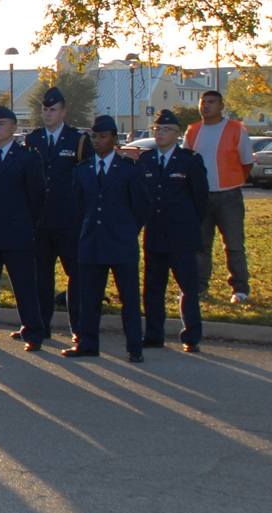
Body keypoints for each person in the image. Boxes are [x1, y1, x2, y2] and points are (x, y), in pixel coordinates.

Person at [68, 115, 152, 361]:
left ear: (114, 139)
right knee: (89, 300)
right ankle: (88, 344)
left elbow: (141, 207)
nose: (97, 141)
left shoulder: (128, 169)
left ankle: (134, 348)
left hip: (121, 242)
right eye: (94, 136)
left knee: (129, 300)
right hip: (92, 241)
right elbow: (80, 206)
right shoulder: (82, 170)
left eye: (103, 136)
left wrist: (127, 230)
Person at [0, 104, 47, 350]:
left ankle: (34, 333)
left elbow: (37, 197)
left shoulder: (26, 158)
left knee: (24, 286)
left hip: (17, 233)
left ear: (14, 128)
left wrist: (25, 222)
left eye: (2, 124)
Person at [26, 87, 94, 341]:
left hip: (69, 220)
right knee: (40, 277)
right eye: (44, 109)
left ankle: (78, 327)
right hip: (40, 221)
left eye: (53, 110)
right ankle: (40, 326)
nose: (47, 114)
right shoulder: (32, 141)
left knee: (76, 275)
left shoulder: (78, 141)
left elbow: (87, 180)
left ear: (63, 112)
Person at [142, 109, 211, 352]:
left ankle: (191, 336)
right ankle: (153, 335)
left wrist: (188, 224)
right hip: (155, 234)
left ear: (177, 134)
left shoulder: (189, 160)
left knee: (188, 289)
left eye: (165, 129)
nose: (159, 133)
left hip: (182, 236)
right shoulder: (146, 160)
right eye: (157, 129)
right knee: (152, 289)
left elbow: (200, 200)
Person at [184, 89, 254, 303]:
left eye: (211, 102)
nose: (205, 106)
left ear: (222, 106)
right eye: (203, 102)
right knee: (201, 245)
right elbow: (186, 162)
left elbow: (247, 162)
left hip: (229, 197)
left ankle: (240, 290)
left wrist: (232, 181)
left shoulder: (236, 129)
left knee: (233, 245)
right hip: (201, 197)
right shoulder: (193, 130)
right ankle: (199, 288)